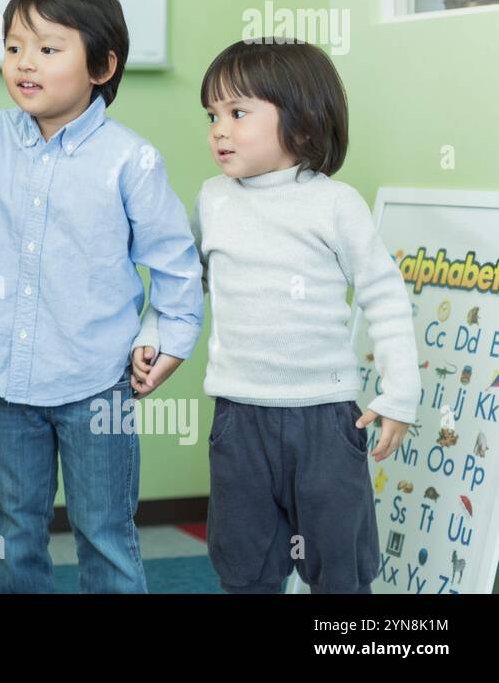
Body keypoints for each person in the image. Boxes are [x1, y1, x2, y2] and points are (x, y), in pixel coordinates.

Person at [0, 0, 204, 593]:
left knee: (104, 529)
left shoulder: (130, 160)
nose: (25, 64)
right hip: (8, 381)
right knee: (13, 528)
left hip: (97, 381)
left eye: (48, 47)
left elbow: (174, 261)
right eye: (14, 47)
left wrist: (169, 340)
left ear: (102, 65)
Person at [138, 38, 419, 594]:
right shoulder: (214, 199)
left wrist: (400, 394)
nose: (219, 128)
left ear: (305, 123)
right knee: (245, 566)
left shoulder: (335, 204)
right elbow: (183, 284)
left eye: (238, 112)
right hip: (239, 419)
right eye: (212, 115)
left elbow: (383, 297)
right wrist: (153, 333)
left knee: (339, 568)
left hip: (324, 418)